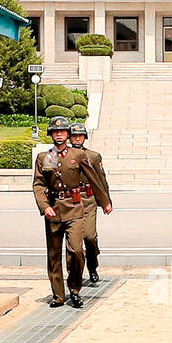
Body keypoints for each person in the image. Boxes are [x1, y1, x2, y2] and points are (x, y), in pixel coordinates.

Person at [32, 116, 112, 308]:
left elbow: (95, 178)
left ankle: (74, 290)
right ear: (51, 134)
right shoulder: (45, 157)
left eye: (62, 131)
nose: (59, 134)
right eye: (55, 131)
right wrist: (45, 206)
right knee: (53, 255)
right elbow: (39, 184)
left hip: (75, 208)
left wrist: (104, 201)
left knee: (76, 251)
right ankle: (58, 295)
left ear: (68, 134)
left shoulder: (78, 155)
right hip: (54, 210)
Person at [69, 121, 110, 285]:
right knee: (74, 243)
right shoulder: (64, 156)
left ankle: (93, 266)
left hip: (87, 199)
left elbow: (101, 179)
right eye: (74, 136)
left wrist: (106, 201)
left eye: (80, 135)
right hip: (70, 201)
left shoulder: (93, 156)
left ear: (84, 137)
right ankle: (75, 274)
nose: (77, 138)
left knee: (90, 237)